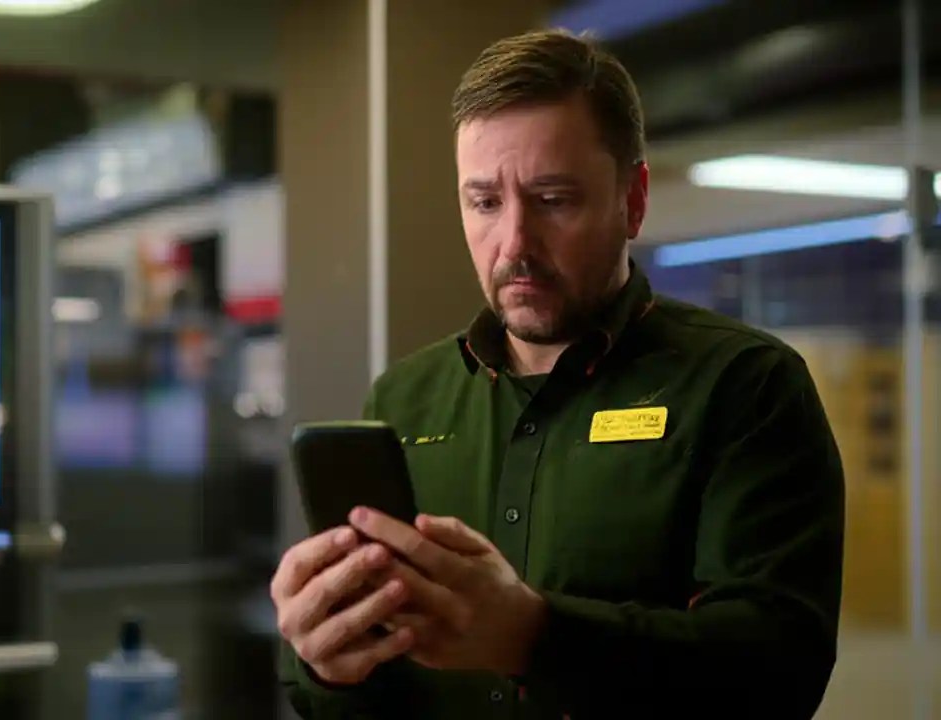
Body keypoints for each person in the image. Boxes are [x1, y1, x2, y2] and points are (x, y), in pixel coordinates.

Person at [272, 28, 845, 719]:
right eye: (485, 202)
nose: (513, 243)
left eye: (552, 200)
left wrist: (532, 634)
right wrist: (327, 667)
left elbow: (778, 675)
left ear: (632, 200)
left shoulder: (744, 385)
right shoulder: (405, 399)